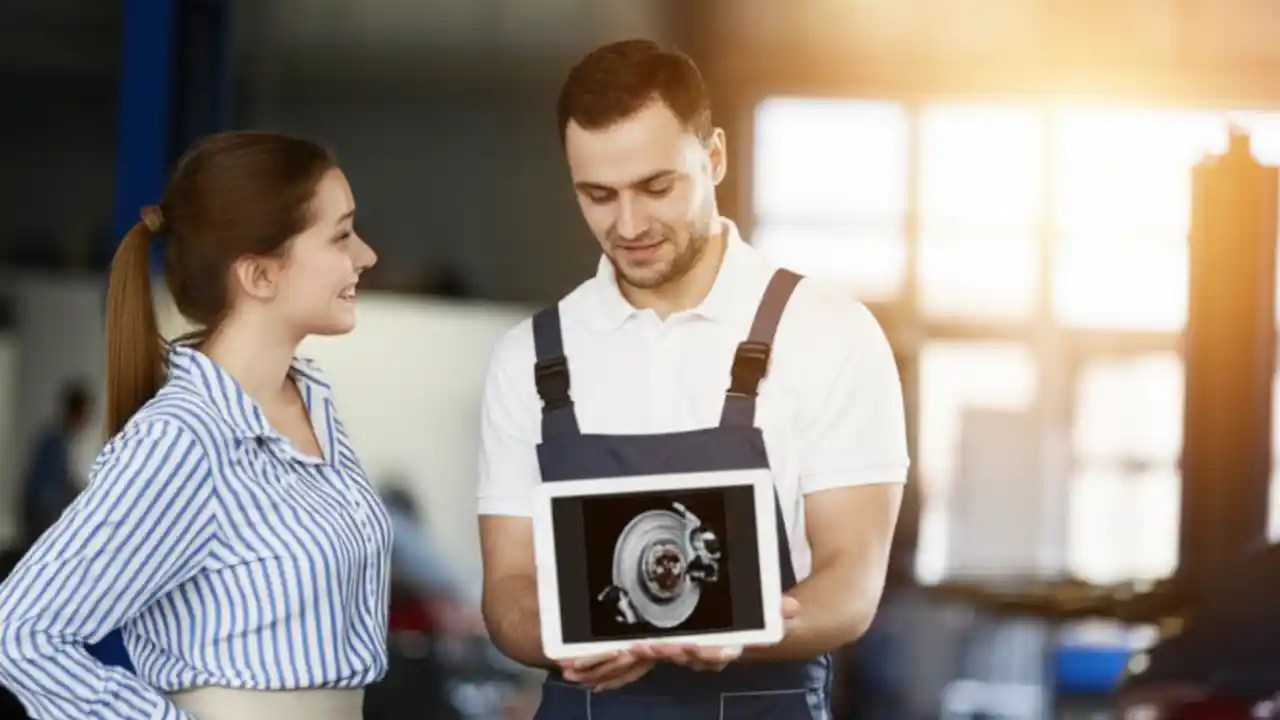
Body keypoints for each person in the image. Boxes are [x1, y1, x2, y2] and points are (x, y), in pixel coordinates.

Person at [476, 39, 911, 718]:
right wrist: (567, 641)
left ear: (713, 157)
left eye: (656, 187)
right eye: (598, 195)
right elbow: (507, 591)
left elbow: (851, 584)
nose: (628, 225)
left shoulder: (828, 332)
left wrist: (742, 630)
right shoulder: (529, 358)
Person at [0, 131, 389, 720]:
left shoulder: (312, 405)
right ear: (258, 275)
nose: (366, 256)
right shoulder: (183, 440)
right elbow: (22, 634)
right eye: (341, 235)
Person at [19, 380, 92, 545]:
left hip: (42, 510)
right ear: (77, 412)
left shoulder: (58, 438)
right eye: (85, 413)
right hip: (44, 513)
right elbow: (59, 484)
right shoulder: (56, 441)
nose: (87, 419)